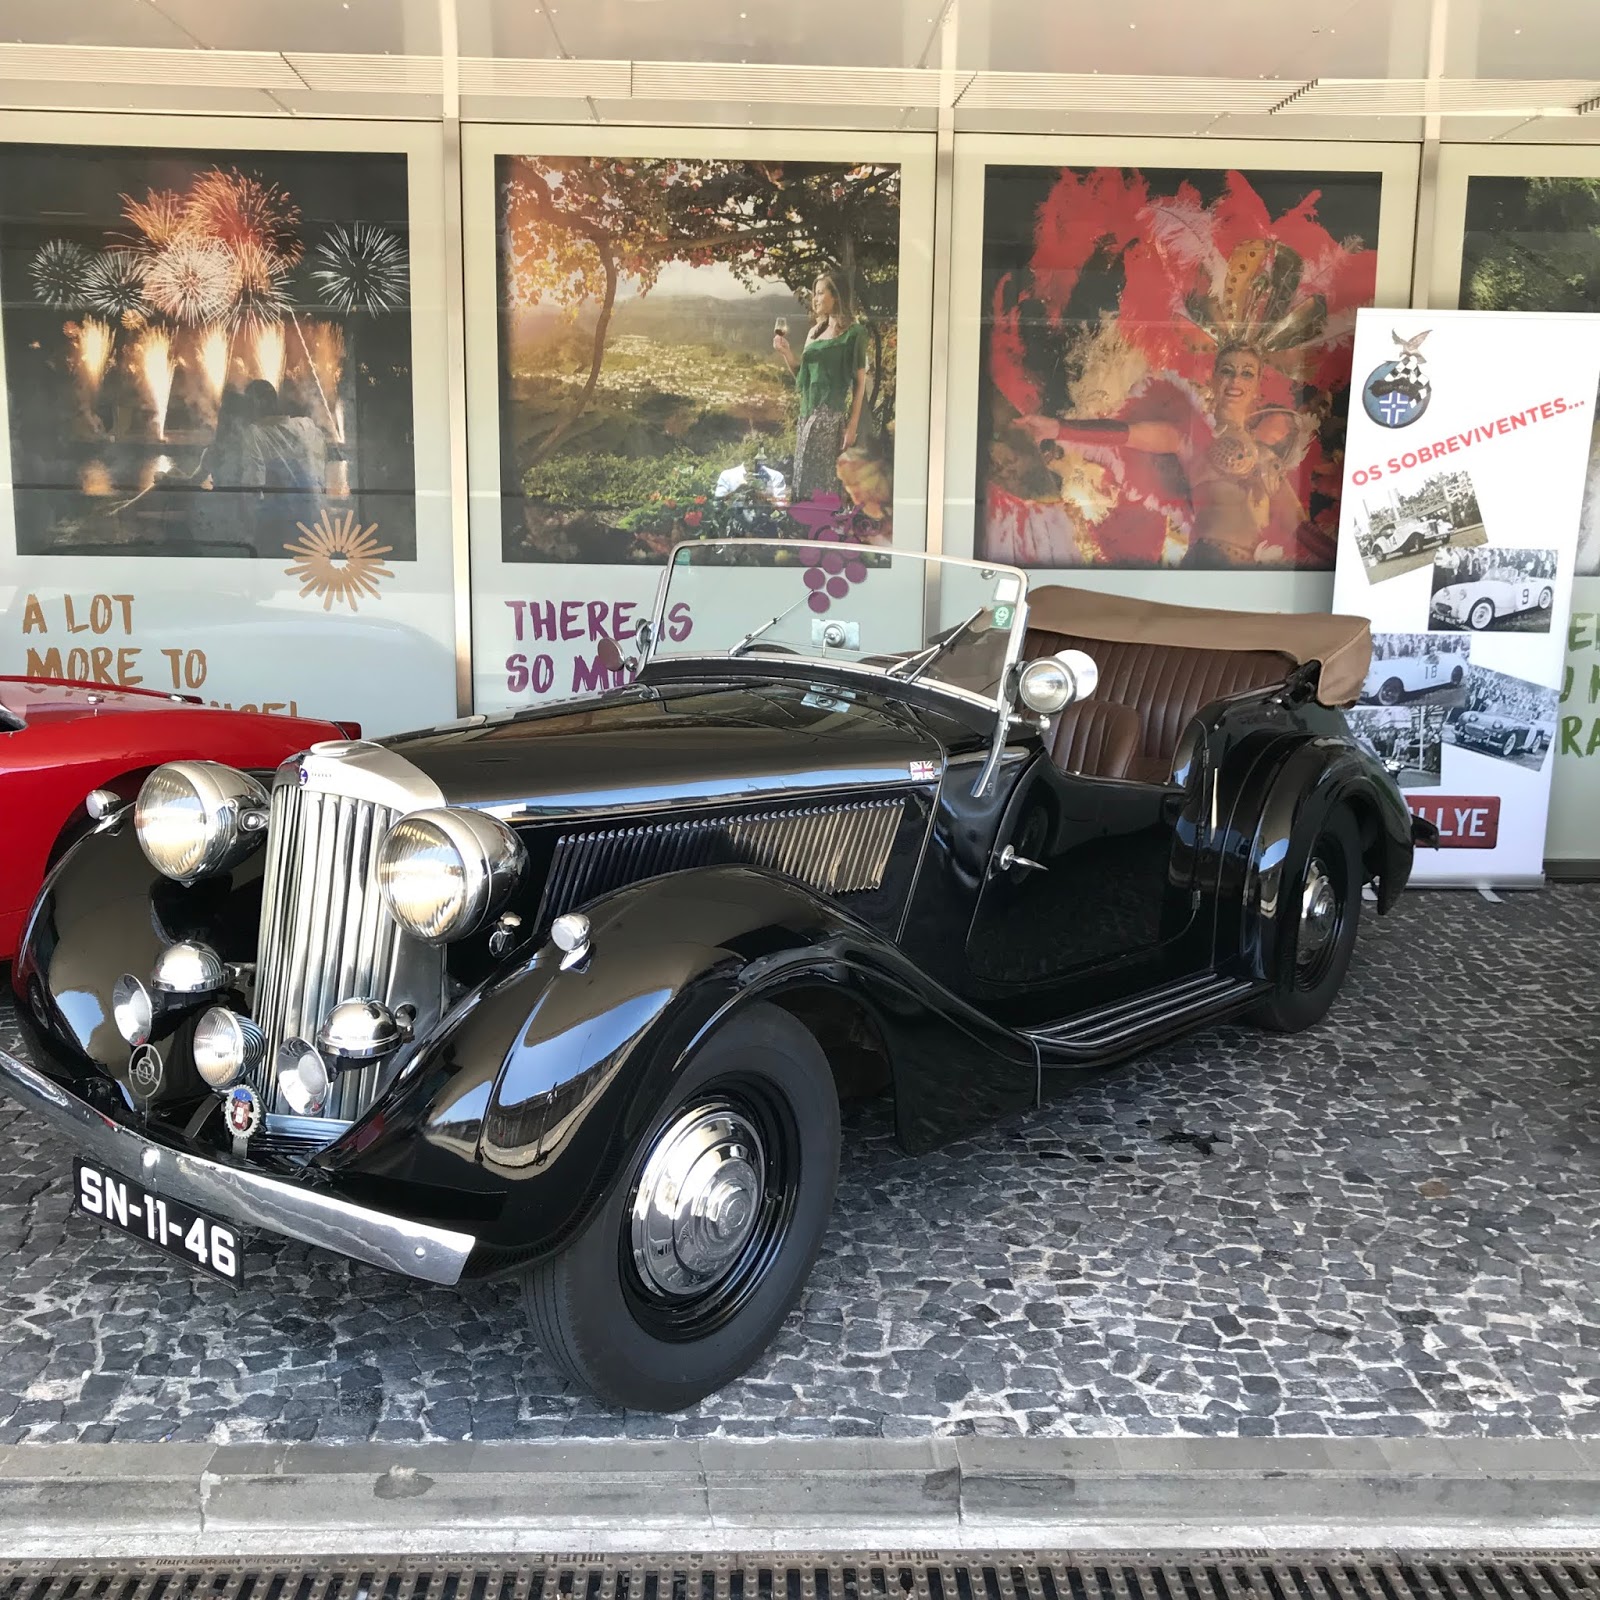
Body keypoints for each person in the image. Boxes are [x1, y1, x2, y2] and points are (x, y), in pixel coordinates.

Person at [1018, 342, 1316, 568]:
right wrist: (1056, 428)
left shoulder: (1266, 458)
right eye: (1227, 370)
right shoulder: (1189, 437)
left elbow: (1301, 530)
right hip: (1207, 562)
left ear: (1257, 388)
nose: (1236, 380)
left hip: (1250, 575)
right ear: (1213, 379)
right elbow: (1125, 432)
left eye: (1247, 373)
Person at [773, 270, 869, 504]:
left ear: (835, 295)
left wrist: (852, 426)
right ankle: (805, 532)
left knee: (823, 481)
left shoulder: (854, 332)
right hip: (806, 415)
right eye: (814, 293)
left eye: (819, 293)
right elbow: (802, 377)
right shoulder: (814, 332)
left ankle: (823, 530)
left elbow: (860, 382)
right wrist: (787, 354)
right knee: (803, 478)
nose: (814, 299)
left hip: (829, 416)